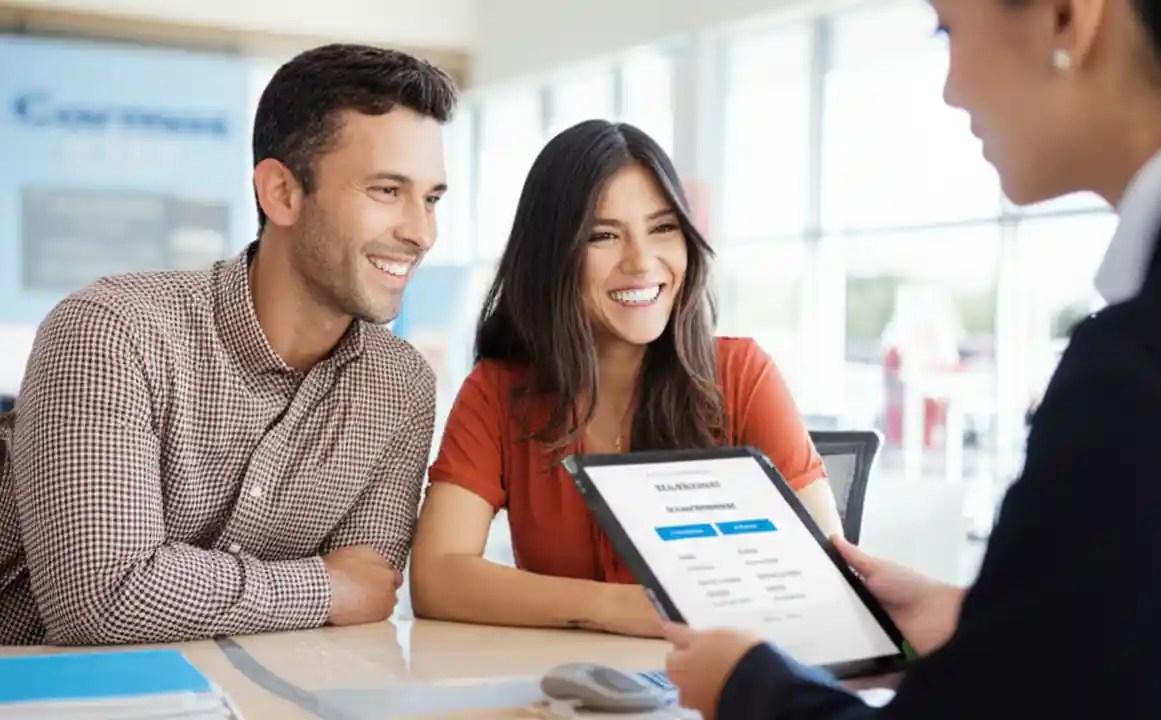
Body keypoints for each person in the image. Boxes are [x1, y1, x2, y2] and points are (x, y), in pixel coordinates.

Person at [665, 0, 1161, 717]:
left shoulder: (1151, 372)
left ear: (1064, 18)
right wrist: (990, 624)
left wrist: (746, 686)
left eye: (947, 30)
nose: (950, 90)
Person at [0, 43, 456, 645]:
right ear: (282, 193)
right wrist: (323, 587)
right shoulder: (113, 330)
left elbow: (371, 589)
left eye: (431, 198)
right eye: (386, 191)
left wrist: (337, 590)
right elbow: (100, 600)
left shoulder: (401, 386)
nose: (421, 232)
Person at [410, 121, 843, 638]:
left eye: (662, 228)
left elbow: (826, 578)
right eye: (604, 236)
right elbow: (437, 577)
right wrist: (626, 608)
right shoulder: (499, 390)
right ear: (552, 255)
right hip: (572, 692)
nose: (642, 262)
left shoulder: (741, 374)